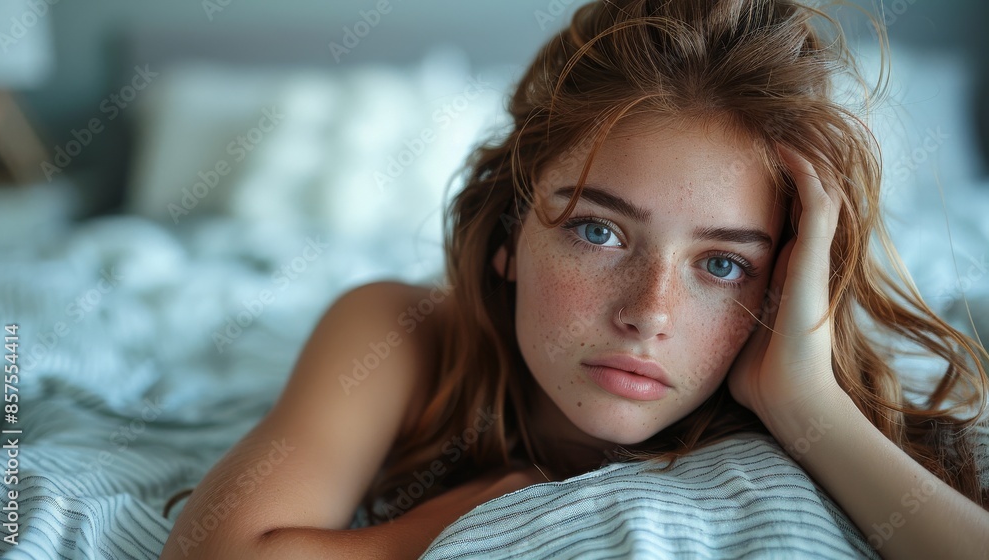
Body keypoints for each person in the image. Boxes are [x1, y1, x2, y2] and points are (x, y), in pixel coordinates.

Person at [160, 1, 989, 558]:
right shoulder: (401, 335)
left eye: (723, 264)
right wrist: (438, 523)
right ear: (512, 232)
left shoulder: (792, 392)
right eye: (599, 231)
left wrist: (809, 407)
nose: (648, 314)